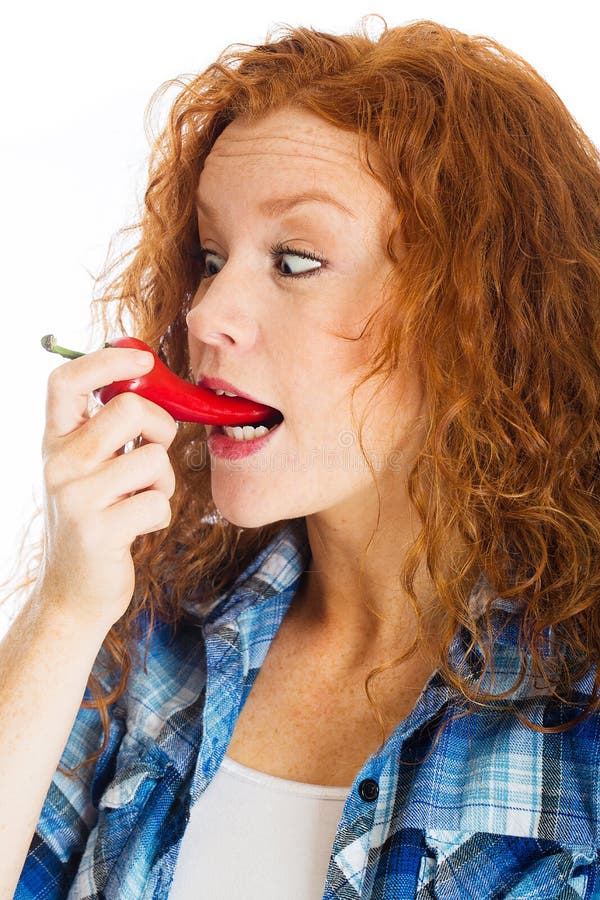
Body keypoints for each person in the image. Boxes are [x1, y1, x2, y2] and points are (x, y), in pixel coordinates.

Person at [2, 15, 599, 899]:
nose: (204, 317)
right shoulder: (145, 642)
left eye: (294, 259)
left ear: (474, 316)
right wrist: (62, 614)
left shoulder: (577, 702)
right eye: (210, 257)